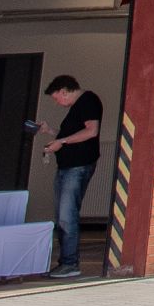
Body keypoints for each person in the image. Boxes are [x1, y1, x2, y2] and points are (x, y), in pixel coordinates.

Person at [36, 75, 102, 278]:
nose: (58, 103)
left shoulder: (88, 101)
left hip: (77, 166)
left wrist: (61, 142)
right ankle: (66, 262)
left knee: (67, 216)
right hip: (67, 166)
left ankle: (70, 263)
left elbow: (91, 131)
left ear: (65, 91)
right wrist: (50, 132)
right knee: (63, 215)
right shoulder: (77, 108)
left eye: (57, 98)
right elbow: (72, 135)